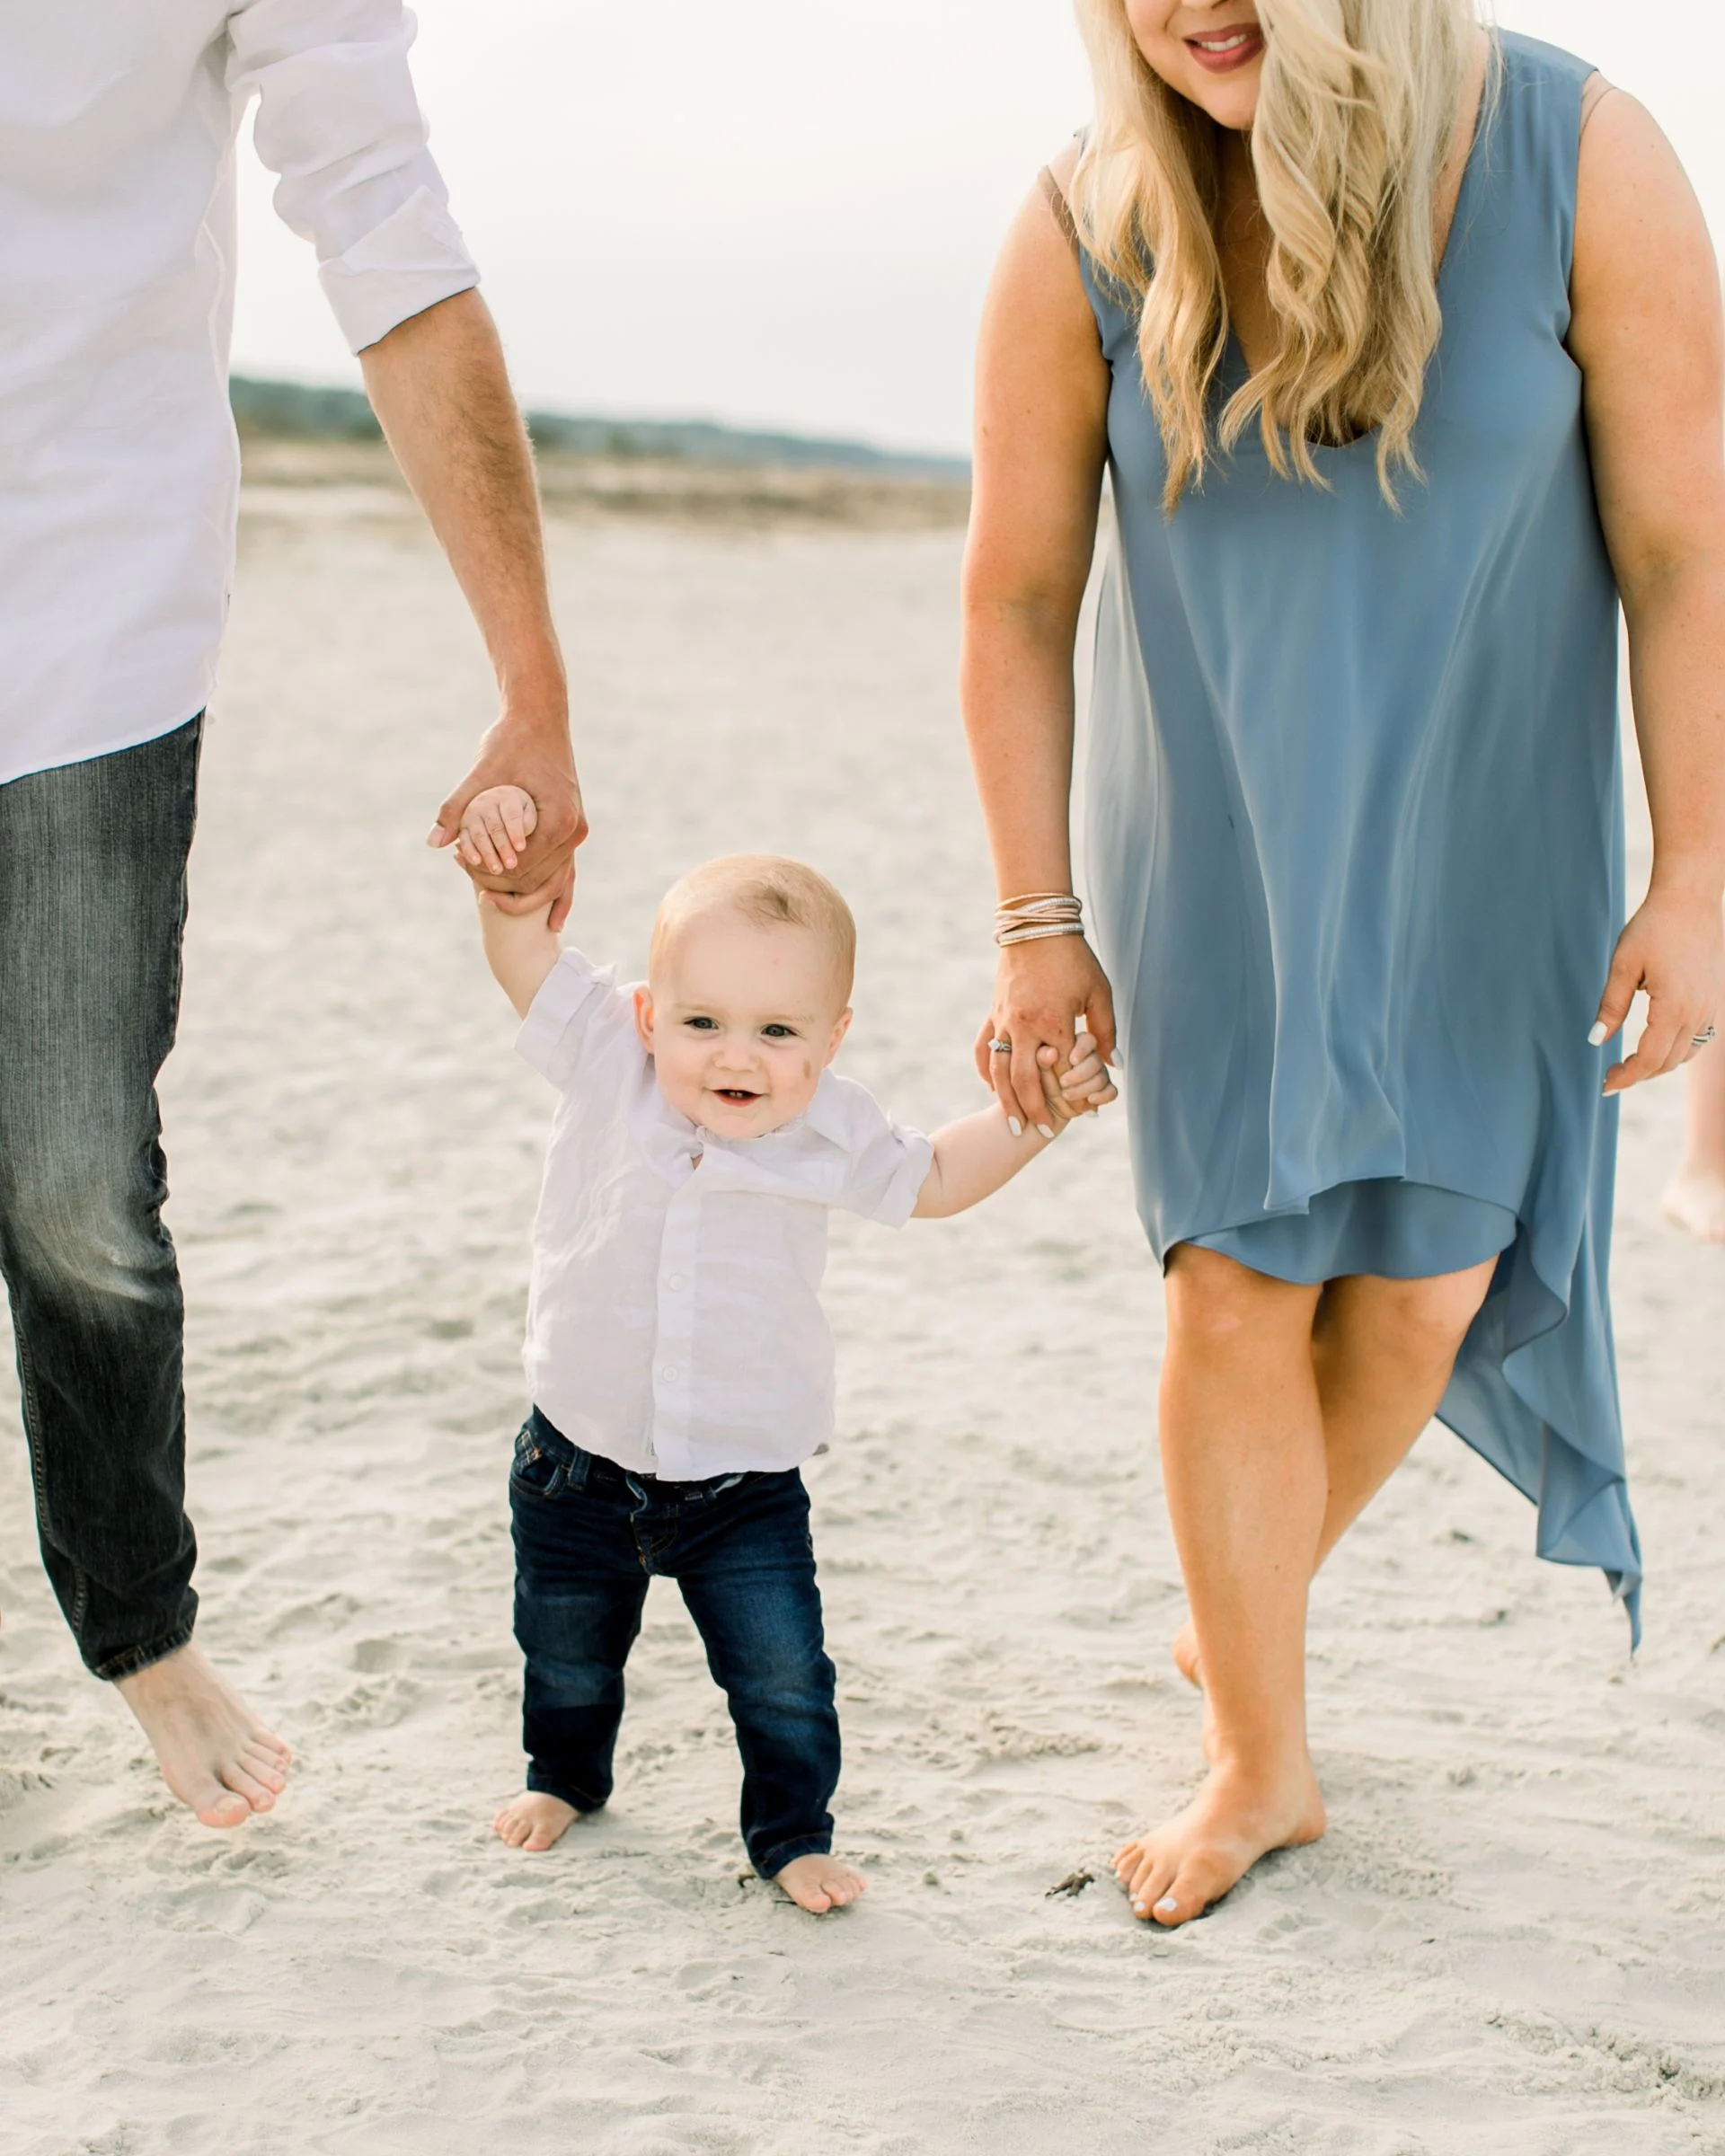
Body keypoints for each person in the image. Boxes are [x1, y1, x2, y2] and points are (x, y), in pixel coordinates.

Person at [961, 0, 1725, 1929]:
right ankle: (1260, 1759)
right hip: (1217, 839)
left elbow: (1688, 550)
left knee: (1422, 1292)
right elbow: (1019, 590)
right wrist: (1037, 922)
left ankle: (1246, 1617)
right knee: (1237, 1275)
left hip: (1497, 837)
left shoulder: (1584, 155)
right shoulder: (1089, 216)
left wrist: (1703, 866)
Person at [0, 4, 583, 1829]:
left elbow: (385, 229)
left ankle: (141, 1631)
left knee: (73, 1176)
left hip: (80, 592)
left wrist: (529, 680)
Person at [457, 790, 1115, 1911]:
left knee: (782, 1678)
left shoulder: (831, 1131)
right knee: (565, 1646)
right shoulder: (605, 1055)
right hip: (575, 1457)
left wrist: (1038, 1114)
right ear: (650, 1012)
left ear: (833, 1036)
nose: (737, 1057)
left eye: (778, 1031)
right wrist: (506, 868)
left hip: (743, 1483)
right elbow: (523, 950)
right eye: (703, 1022)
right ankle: (564, 1777)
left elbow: (939, 1178)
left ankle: (791, 1834)